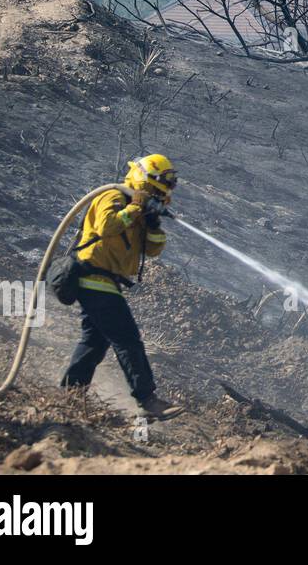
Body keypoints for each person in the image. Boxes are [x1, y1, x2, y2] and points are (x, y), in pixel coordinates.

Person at [60, 154, 184, 419]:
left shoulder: (138, 209)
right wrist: (134, 209)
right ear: (145, 180)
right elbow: (106, 226)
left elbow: (153, 250)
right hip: (92, 277)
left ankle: (69, 397)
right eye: (156, 187)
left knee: (94, 342)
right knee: (127, 339)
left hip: (106, 282)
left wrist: (152, 222)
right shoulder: (113, 196)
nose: (159, 194)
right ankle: (148, 400)